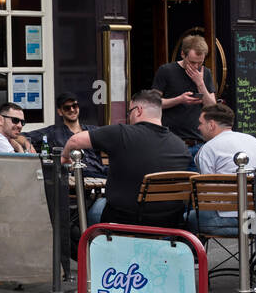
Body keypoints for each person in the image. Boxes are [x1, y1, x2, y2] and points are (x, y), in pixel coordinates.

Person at [62, 90, 192, 227]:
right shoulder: (181, 146)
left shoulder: (121, 133)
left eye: (129, 112)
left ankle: (93, 247)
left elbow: (74, 141)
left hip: (124, 220)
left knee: (94, 208)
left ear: (138, 111)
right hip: (168, 224)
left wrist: (65, 157)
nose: (129, 117)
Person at [186, 103, 256, 235]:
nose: (198, 127)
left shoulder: (207, 150)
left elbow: (205, 195)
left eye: (201, 123)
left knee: (187, 219)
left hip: (228, 219)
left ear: (211, 125)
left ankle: (195, 255)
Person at [152, 34, 217, 161]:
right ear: (183, 54)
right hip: (171, 142)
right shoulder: (166, 71)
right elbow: (153, 103)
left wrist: (200, 84)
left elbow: (212, 107)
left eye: (200, 62)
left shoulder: (205, 73)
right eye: (192, 62)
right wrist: (179, 99)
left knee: (197, 180)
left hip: (198, 142)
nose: (196, 66)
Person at [36, 91, 105, 178]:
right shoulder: (52, 132)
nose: (72, 110)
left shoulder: (92, 130)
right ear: (60, 112)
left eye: (74, 106)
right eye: (67, 108)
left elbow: (114, 141)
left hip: (101, 173)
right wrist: (29, 148)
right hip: (80, 176)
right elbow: (21, 137)